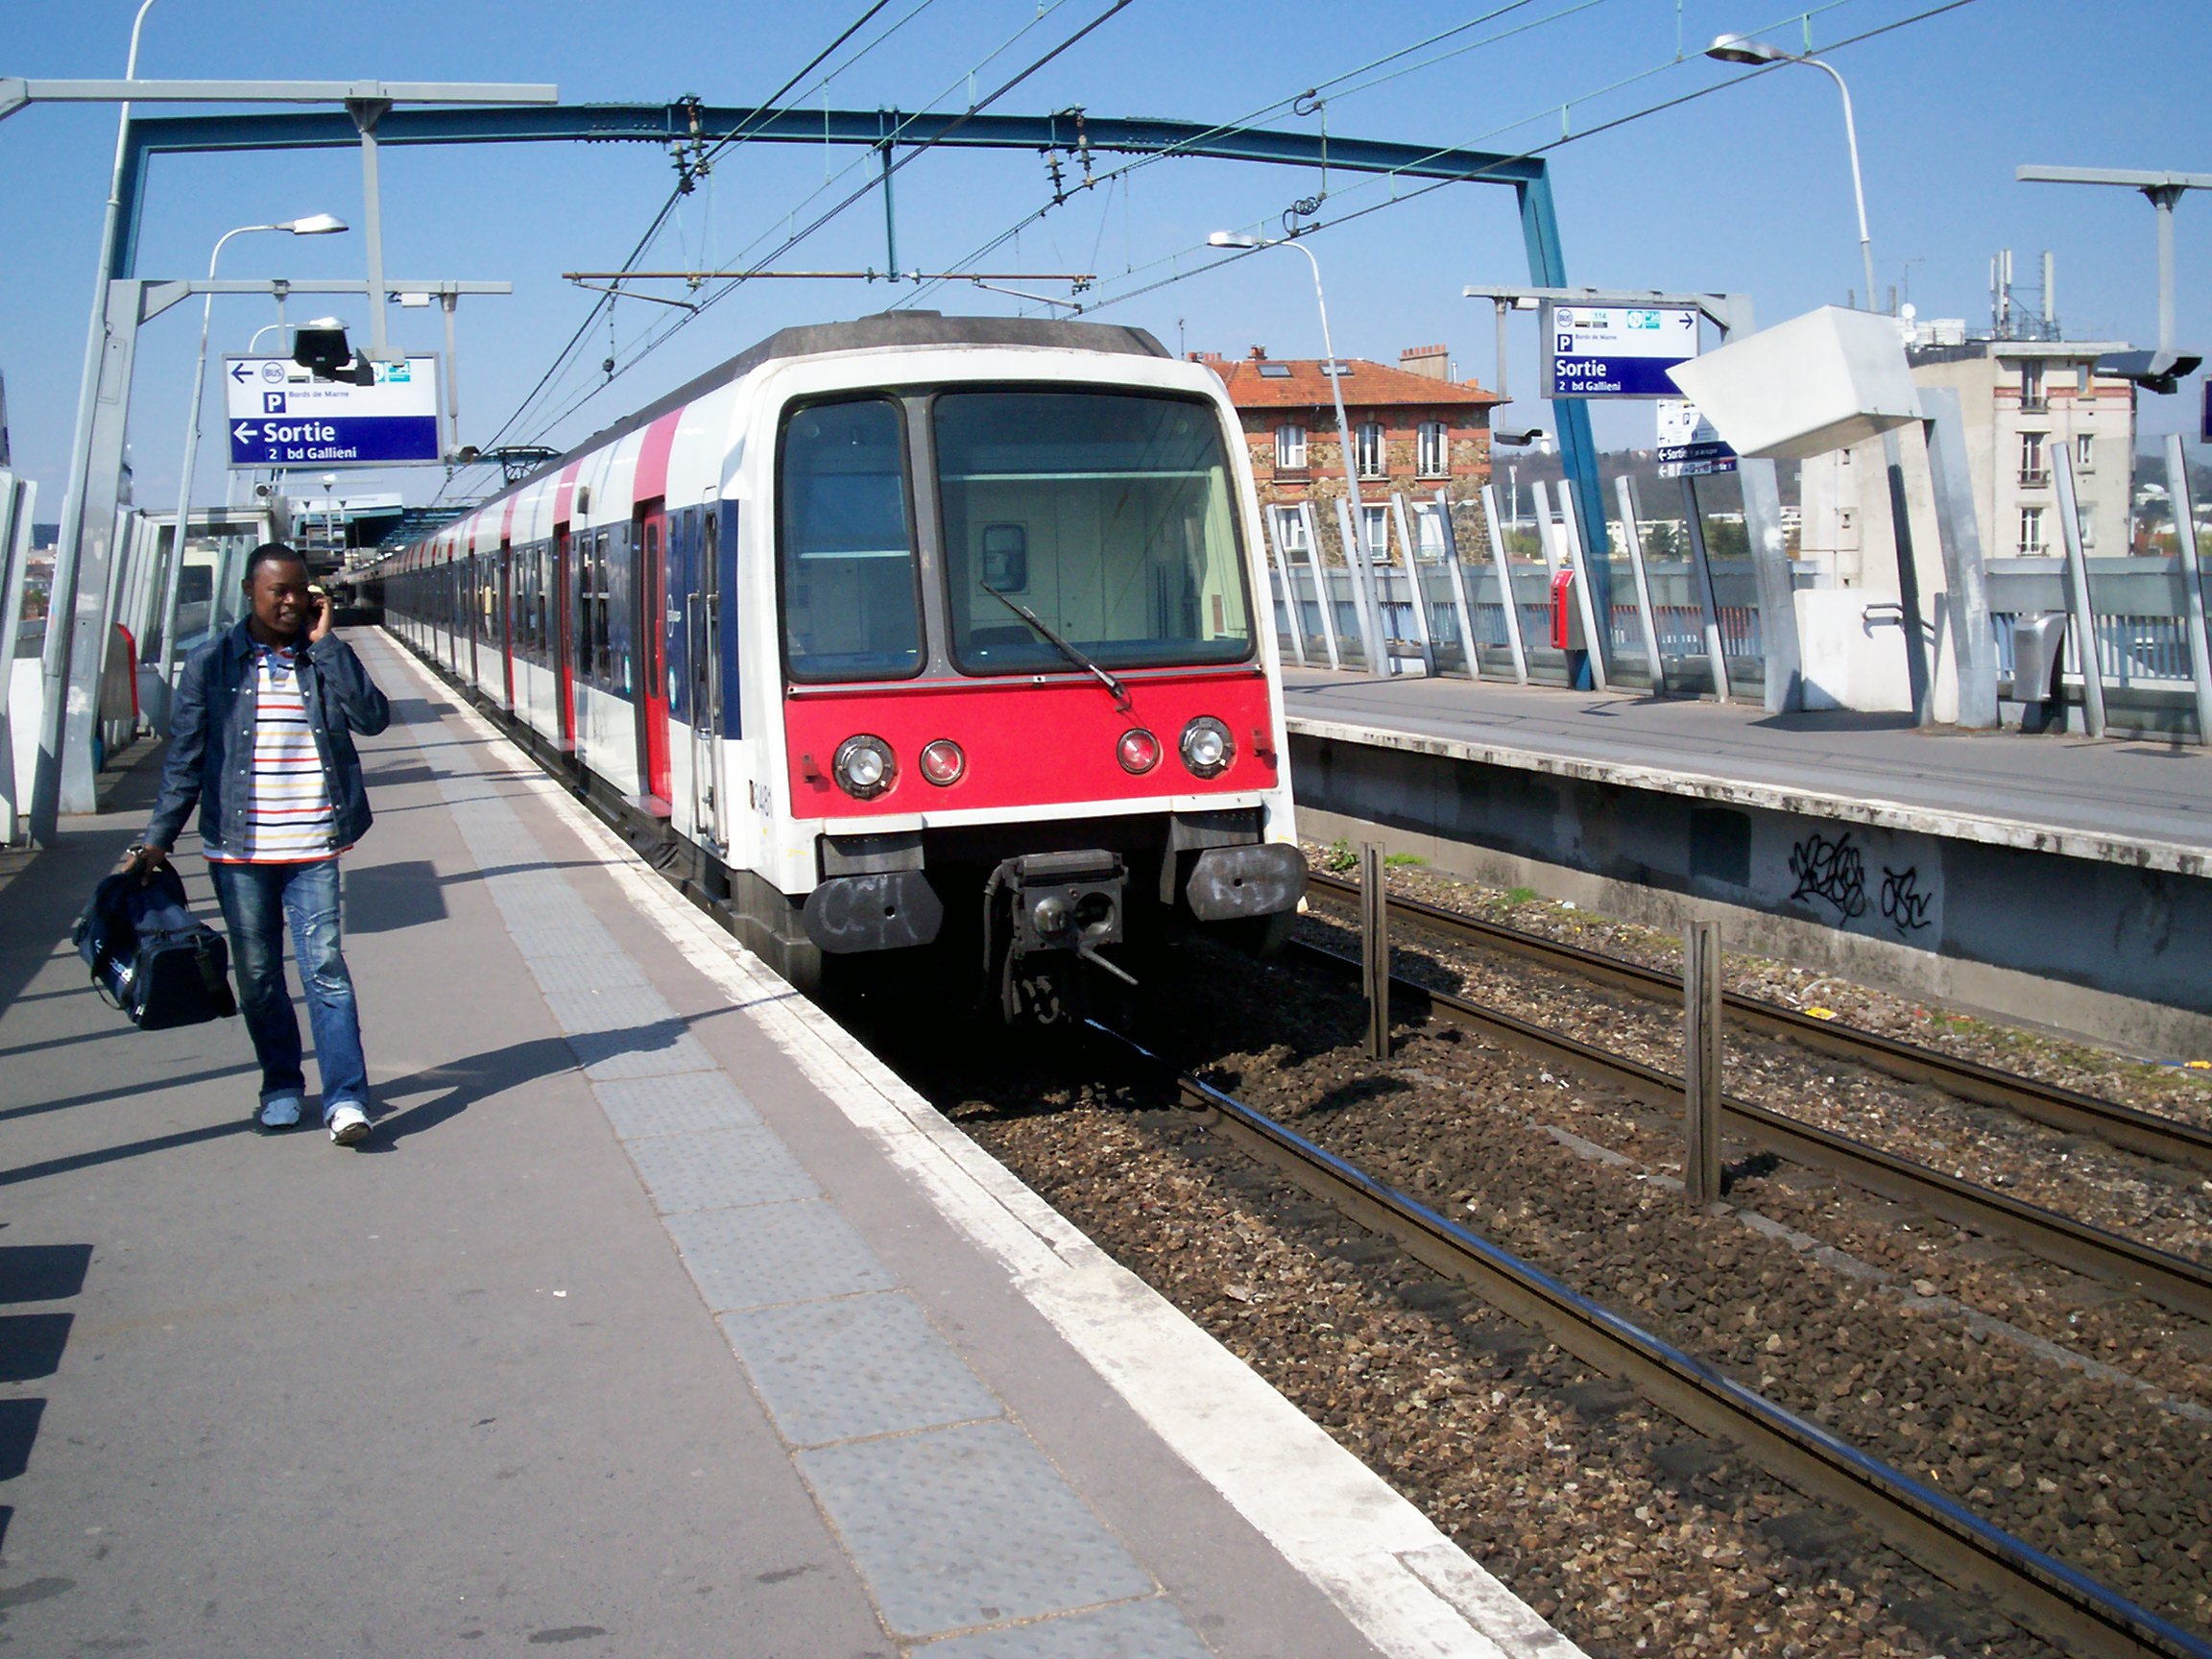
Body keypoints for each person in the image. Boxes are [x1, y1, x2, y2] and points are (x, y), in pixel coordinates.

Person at [124, 542, 391, 1145]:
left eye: (301, 590)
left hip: (315, 840)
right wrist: (157, 839)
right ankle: (281, 1086)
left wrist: (328, 645)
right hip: (238, 850)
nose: (292, 601)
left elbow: (373, 719)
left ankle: (347, 1099)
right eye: (279, 591)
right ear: (250, 591)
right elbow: (185, 760)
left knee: (325, 969)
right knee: (261, 975)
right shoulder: (211, 663)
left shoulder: (321, 657)